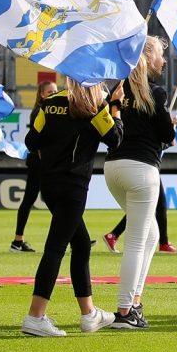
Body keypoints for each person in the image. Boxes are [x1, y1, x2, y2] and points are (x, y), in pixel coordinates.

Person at [21, 79, 125, 337]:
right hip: (73, 187)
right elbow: (116, 139)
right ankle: (35, 316)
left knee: (80, 245)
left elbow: (31, 141)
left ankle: (89, 314)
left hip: (50, 185)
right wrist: (115, 106)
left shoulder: (50, 102)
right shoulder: (94, 106)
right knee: (55, 249)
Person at [104, 36, 177, 329]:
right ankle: (124, 311)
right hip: (141, 169)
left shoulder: (119, 89)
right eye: (160, 55)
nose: (163, 60)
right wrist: (170, 127)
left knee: (150, 235)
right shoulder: (154, 92)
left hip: (113, 167)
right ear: (148, 57)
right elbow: (166, 135)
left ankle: (134, 301)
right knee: (137, 240)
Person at [11, 80, 59, 253]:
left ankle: (17, 241)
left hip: (40, 161)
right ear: (42, 94)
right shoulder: (41, 111)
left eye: (55, 91)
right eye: (50, 91)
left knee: (36, 199)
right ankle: (72, 234)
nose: (53, 94)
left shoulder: (45, 110)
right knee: (45, 199)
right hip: (39, 162)